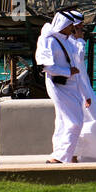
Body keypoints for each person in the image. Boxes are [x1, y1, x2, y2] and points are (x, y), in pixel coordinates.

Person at [34, 9, 85, 164]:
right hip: (58, 84)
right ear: (64, 24)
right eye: (72, 26)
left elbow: (78, 57)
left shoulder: (64, 38)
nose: (73, 29)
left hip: (69, 85)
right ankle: (61, 157)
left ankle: (60, 155)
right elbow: (45, 66)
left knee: (63, 121)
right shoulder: (48, 40)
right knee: (75, 122)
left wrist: (80, 39)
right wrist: (68, 71)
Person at [69, 20, 96, 162]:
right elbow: (79, 57)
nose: (82, 32)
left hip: (81, 88)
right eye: (79, 29)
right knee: (88, 120)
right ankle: (76, 155)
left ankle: (78, 155)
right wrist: (81, 40)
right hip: (80, 89)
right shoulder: (73, 44)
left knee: (89, 121)